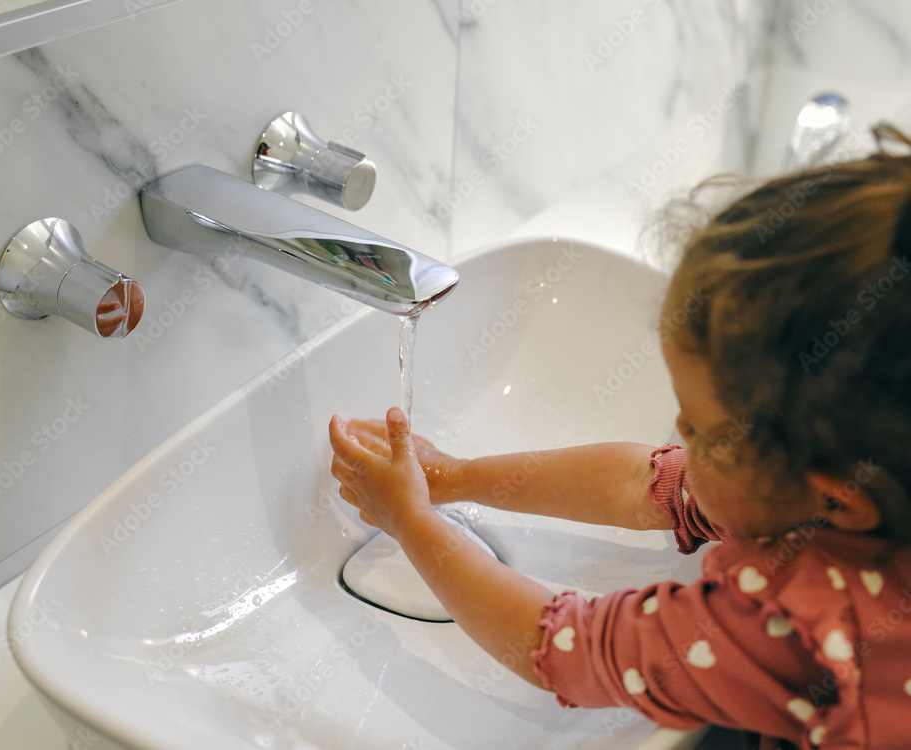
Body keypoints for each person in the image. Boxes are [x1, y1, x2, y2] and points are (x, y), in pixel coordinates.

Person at [327, 123, 911, 750]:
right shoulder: (842, 475)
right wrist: (456, 476)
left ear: (837, 501)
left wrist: (412, 522)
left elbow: (563, 645)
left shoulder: (792, 626)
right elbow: (644, 483)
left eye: (704, 431)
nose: (680, 433)